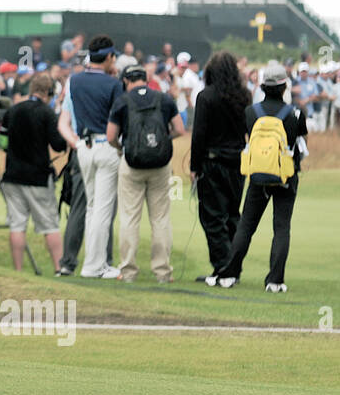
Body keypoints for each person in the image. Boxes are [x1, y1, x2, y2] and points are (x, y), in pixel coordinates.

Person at [211, 61, 307, 291]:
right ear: (285, 86)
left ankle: (229, 275)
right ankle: (275, 280)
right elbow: (300, 146)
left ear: (262, 86)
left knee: (246, 226)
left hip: (257, 175)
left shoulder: (251, 112)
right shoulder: (295, 113)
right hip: (285, 176)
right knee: (281, 227)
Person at [107, 65, 184, 283]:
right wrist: (161, 143)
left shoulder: (122, 100)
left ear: (126, 80)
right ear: (146, 79)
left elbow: (111, 135)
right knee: (160, 219)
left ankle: (129, 271)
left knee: (130, 218)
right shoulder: (164, 98)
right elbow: (179, 128)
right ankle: (162, 272)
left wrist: (121, 148)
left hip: (132, 164)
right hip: (160, 165)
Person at [56, 34, 123, 278]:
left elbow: (64, 120)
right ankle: (95, 265)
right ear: (108, 57)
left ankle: (87, 264)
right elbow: (118, 121)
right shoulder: (114, 85)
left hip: (82, 146)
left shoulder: (74, 81)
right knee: (102, 210)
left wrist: (75, 143)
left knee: (91, 207)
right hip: (106, 144)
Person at [188, 50, 251, 282]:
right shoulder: (244, 96)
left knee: (213, 218)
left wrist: (194, 166)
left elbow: (199, 135)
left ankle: (223, 269)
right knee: (233, 216)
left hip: (212, 162)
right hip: (237, 163)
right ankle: (233, 267)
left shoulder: (206, 97)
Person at [1, 73, 66, 271]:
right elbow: (58, 144)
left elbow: (2, 140)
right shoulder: (47, 113)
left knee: (17, 225)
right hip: (37, 176)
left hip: (13, 175)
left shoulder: (13, 110)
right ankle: (58, 268)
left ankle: (18, 269)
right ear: (48, 93)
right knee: (50, 225)